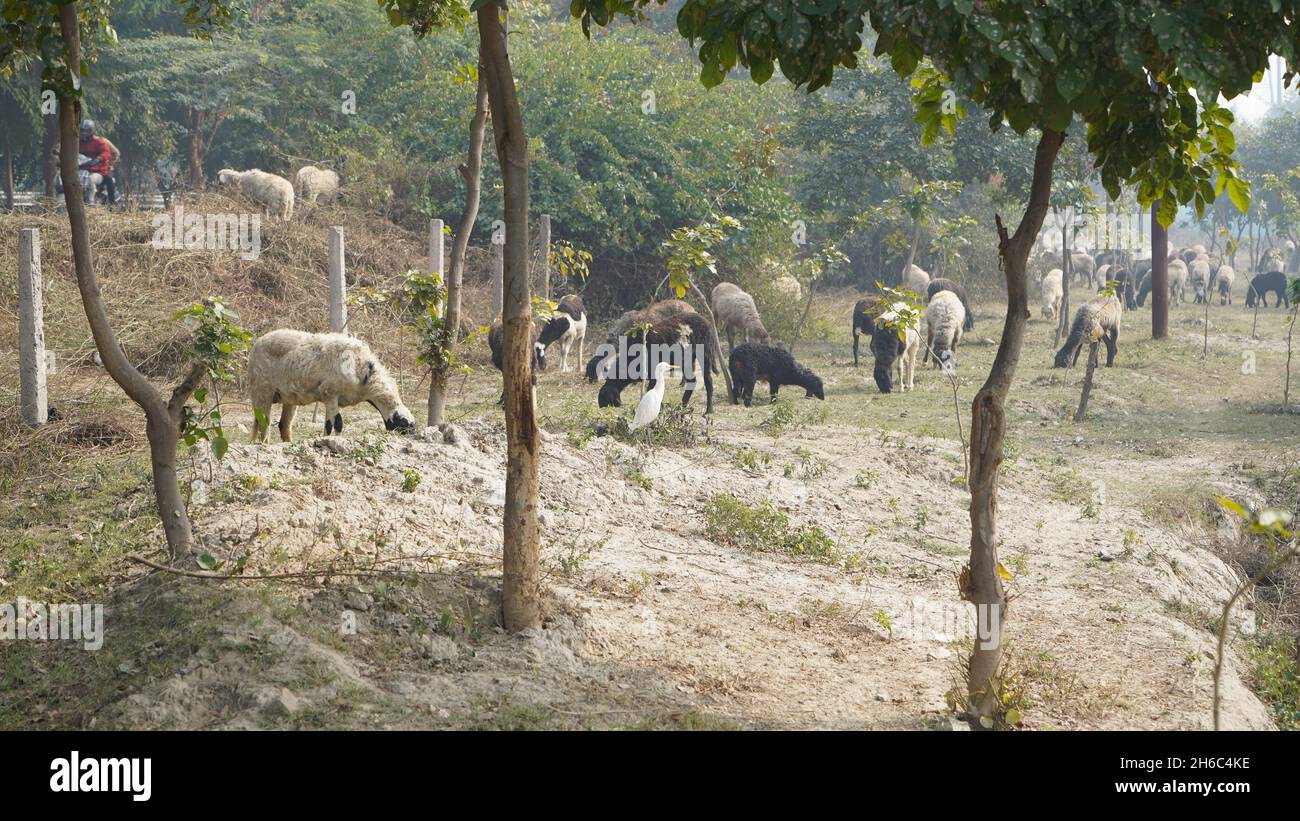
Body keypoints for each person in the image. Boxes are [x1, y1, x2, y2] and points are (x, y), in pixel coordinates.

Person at [77, 119, 117, 205]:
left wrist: (98, 159)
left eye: (86, 131)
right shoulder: (77, 142)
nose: (84, 133)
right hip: (80, 169)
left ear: (91, 131)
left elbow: (107, 152)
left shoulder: (99, 141)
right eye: (82, 130)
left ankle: (91, 203)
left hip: (96, 171)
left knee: (90, 180)